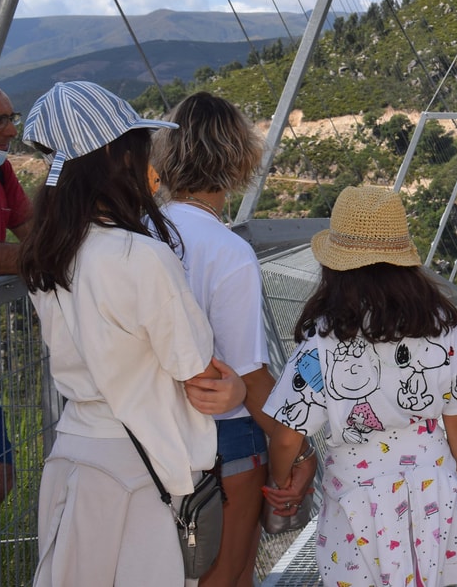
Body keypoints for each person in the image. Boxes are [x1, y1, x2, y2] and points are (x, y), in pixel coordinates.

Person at [18, 81, 245, 586]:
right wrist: (238, 389)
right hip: (140, 472)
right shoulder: (140, 256)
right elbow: (198, 374)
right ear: (120, 157)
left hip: (74, 457)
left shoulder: (50, 253)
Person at [262, 185, 457, 587]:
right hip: (433, 485)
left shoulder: (324, 338)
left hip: (358, 496)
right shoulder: (444, 325)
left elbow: (287, 436)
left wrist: (281, 481)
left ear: (334, 267)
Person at [151, 91, 314, 587]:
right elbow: (249, 374)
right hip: (227, 443)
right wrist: (298, 451)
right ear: (238, 159)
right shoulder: (228, 251)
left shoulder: (136, 236)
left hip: (149, 435)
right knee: (230, 576)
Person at [0, 85, 30, 513]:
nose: (10, 129)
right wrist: (37, 258)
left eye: (10, 117)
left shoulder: (0, 172)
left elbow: (36, 232)